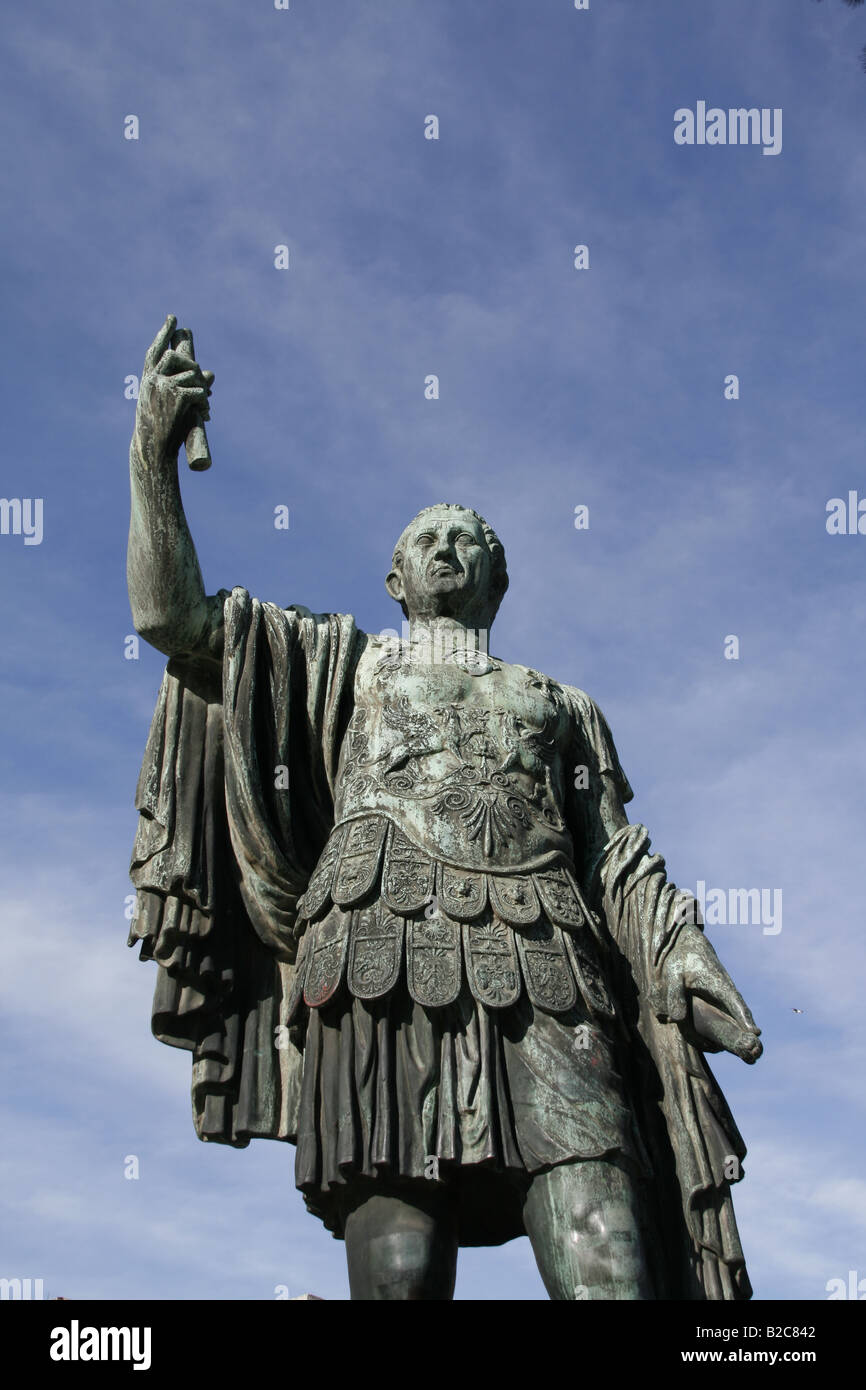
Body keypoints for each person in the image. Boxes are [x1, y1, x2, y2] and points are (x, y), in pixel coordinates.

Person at [127, 317, 762, 1300]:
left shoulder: (557, 703)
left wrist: (679, 946)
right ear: (394, 580)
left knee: (605, 1249)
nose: (447, 546)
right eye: (426, 537)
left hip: (547, 961)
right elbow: (171, 618)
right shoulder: (340, 665)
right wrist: (152, 455)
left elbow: (615, 856)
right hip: (373, 961)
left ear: (499, 579)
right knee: (401, 1268)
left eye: (468, 537)